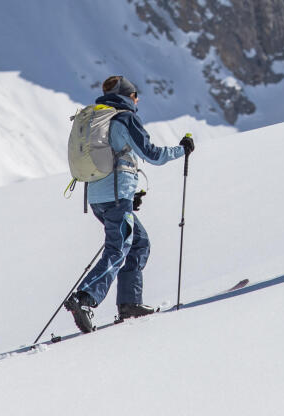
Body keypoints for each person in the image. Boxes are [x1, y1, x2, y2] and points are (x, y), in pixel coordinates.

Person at [63, 76, 192, 333]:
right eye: (135, 95)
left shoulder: (100, 117)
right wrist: (182, 149)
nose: (138, 100)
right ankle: (85, 298)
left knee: (139, 242)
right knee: (118, 247)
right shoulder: (124, 118)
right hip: (115, 197)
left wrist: (129, 194)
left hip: (99, 196)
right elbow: (152, 155)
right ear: (127, 96)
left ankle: (130, 303)